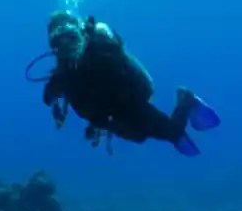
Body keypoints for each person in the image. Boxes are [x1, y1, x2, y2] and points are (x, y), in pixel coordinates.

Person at [34, 11, 221, 156]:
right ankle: (177, 121)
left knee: (171, 133)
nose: (67, 47)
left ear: (80, 35)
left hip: (130, 107)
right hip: (114, 118)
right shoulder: (64, 73)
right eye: (59, 44)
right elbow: (49, 97)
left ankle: (186, 100)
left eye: (71, 39)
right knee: (140, 136)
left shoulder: (100, 50)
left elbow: (115, 77)